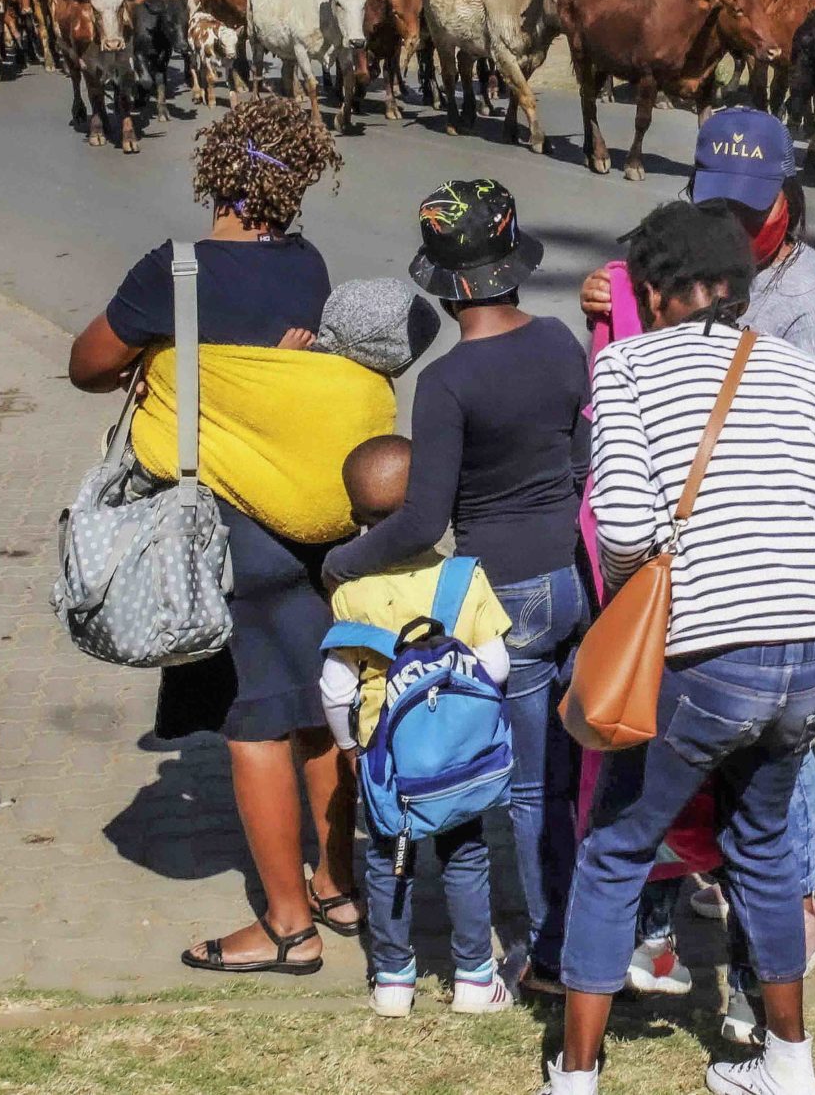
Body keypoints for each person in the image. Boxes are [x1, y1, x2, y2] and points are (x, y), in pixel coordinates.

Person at [552, 201, 815, 1095]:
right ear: (738, 289)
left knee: (615, 849)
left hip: (701, 660)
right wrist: (811, 610)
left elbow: (620, 524)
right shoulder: (805, 377)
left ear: (654, 293)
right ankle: (788, 1067)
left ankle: (575, 1075)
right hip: (805, 661)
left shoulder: (625, 367)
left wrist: (654, 591)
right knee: (766, 850)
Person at [65, 95, 375, 975]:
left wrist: (159, 359)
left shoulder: (176, 271)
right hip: (309, 527)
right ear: (301, 176)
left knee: (253, 727)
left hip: (223, 534)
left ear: (215, 171)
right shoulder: (309, 265)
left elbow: (88, 364)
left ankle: (285, 926)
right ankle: (338, 885)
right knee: (320, 711)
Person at [324, 177, 589, 993]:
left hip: (505, 599)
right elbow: (582, 465)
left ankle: (552, 954)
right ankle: (613, 920)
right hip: (579, 578)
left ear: (439, 282)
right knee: (585, 773)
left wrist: (340, 567)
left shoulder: (445, 382)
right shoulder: (560, 341)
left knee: (534, 791)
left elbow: (419, 521)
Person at [320, 434, 516, 1018]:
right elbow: (498, 665)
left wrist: (349, 746)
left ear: (356, 519)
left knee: (391, 862)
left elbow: (336, 689)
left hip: (393, 770)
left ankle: (394, 980)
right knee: (465, 857)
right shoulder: (463, 576)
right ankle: (475, 978)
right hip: (459, 763)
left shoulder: (351, 593)